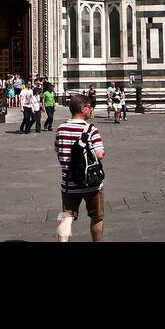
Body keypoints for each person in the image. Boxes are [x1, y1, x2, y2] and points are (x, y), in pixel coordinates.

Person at [55, 94, 105, 242]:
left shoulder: (61, 128)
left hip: (69, 182)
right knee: (97, 217)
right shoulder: (91, 129)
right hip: (92, 183)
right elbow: (100, 154)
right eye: (90, 107)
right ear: (83, 109)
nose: (91, 110)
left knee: (66, 217)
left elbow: (59, 152)